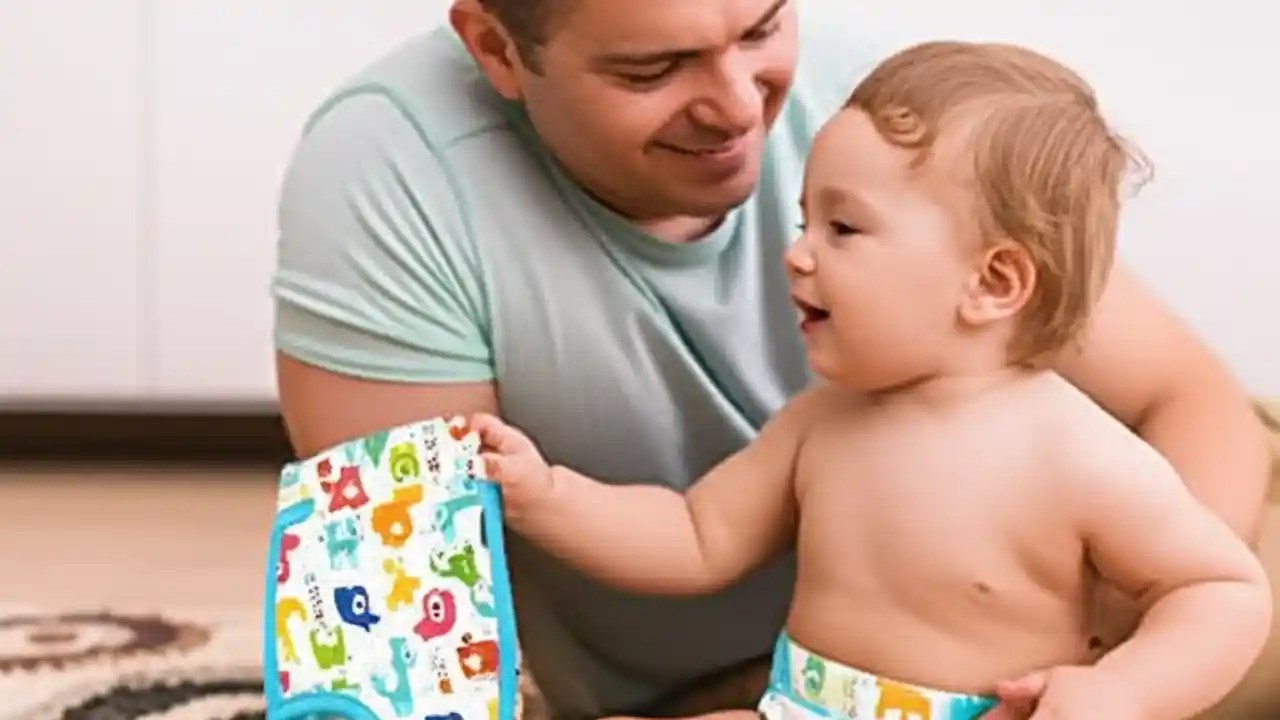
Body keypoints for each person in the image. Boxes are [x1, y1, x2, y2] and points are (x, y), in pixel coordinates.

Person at [270, 1, 1272, 717]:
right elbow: (691, 536)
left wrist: (1121, 679)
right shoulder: (819, 424)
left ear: (993, 281)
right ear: (496, 48)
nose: (739, 107)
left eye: (760, 28)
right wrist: (547, 491)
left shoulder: (909, 129)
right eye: (650, 68)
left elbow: (1207, 531)